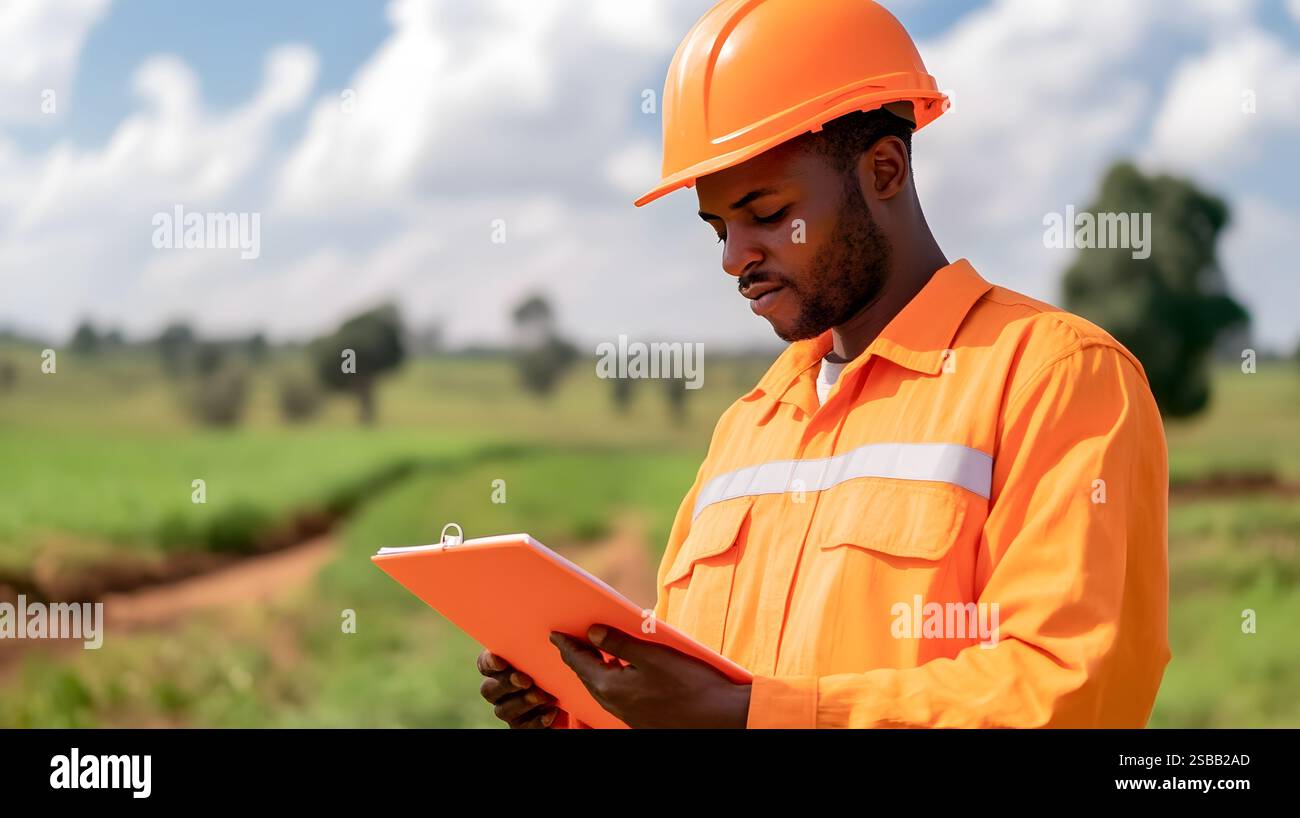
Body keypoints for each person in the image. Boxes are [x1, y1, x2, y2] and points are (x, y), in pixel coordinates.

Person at [479, 0, 1169, 728]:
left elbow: (1070, 692)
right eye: (719, 227)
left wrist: (752, 714)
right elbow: (700, 701)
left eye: (768, 214)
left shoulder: (1055, 378)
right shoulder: (752, 424)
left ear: (883, 169)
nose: (733, 258)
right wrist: (584, 712)